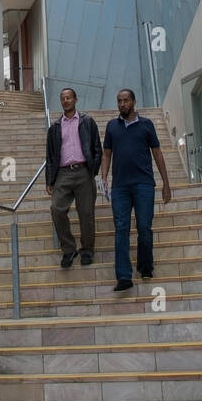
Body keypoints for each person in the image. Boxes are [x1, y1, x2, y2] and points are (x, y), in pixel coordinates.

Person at [100, 88, 172, 292]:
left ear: (133, 102)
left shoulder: (146, 125)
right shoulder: (112, 126)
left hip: (144, 185)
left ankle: (145, 266)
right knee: (121, 229)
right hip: (120, 187)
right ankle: (123, 276)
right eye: (119, 101)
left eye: (125, 100)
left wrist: (166, 184)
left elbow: (157, 154)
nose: (122, 104)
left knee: (144, 227)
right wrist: (104, 177)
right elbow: (106, 154)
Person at [45, 87, 103, 268]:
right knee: (57, 208)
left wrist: (92, 170)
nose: (66, 101)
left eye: (69, 98)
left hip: (83, 171)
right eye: (63, 98)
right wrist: (50, 180)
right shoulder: (54, 127)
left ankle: (87, 250)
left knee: (86, 213)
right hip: (62, 173)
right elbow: (50, 155)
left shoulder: (87, 121)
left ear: (75, 100)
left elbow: (96, 148)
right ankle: (69, 249)